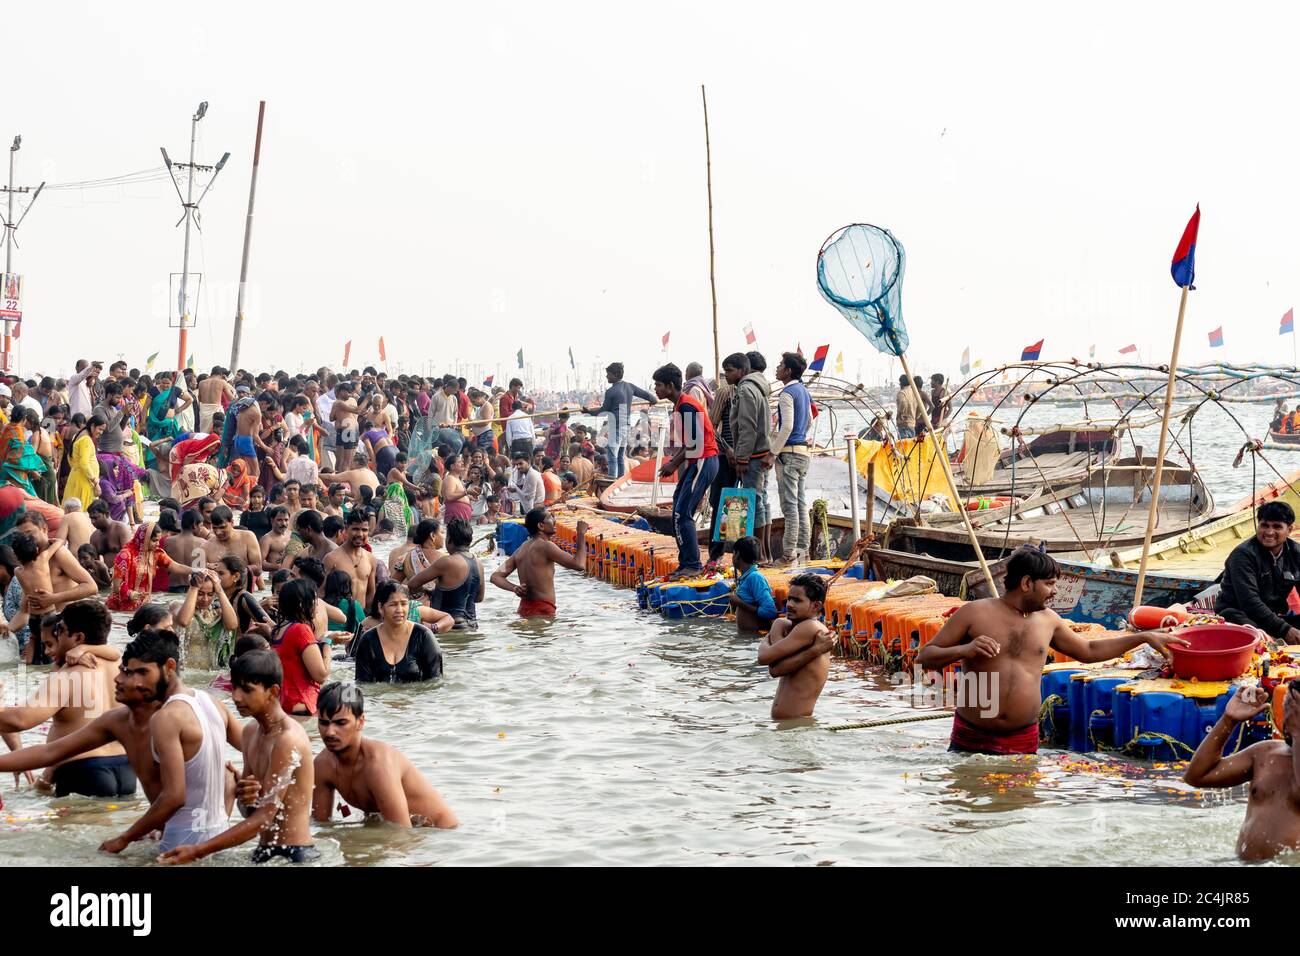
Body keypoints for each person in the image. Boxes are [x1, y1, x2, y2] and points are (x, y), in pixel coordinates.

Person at [916, 549, 1186, 755]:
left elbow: (1089, 650)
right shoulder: (974, 612)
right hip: (971, 735)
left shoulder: (1049, 620)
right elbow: (925, 657)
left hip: (1022, 738)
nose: (1054, 592)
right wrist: (966, 648)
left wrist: (1141, 637)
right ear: (1026, 583)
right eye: (1049, 584)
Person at [160, 649, 317, 864]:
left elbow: (264, 819)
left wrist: (199, 850)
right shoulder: (251, 732)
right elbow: (250, 811)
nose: (236, 697)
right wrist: (244, 794)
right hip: (263, 850)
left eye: (247, 690)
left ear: (272, 691)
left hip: (295, 854)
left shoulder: (287, 739)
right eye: (234, 687)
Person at [100, 628, 244, 855]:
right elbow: (257, 748)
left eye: (142, 672)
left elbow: (174, 797)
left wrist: (124, 838)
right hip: (217, 838)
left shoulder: (165, 718)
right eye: (130, 672)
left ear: (169, 667)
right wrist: (247, 780)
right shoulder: (213, 702)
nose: (136, 681)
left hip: (180, 843)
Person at [0, 600, 133, 797]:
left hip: (84, 772)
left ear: (78, 637)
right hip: (126, 771)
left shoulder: (71, 674)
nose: (57, 636)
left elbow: (20, 720)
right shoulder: (121, 668)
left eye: (60, 631)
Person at [313, 682, 458, 828]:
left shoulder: (379, 766)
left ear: (360, 722)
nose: (330, 732)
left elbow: (401, 836)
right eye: (324, 723)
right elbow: (321, 826)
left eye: (341, 723)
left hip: (439, 833)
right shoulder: (322, 765)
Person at [1184, 682, 1300, 861]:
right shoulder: (1266, 753)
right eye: (1288, 707)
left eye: (1296, 712)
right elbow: (1198, 776)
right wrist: (1229, 720)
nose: (1288, 717)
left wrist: (1298, 731)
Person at [653, 363, 720, 580]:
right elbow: (690, 442)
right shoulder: (680, 405)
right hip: (697, 461)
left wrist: (673, 464)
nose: (656, 389)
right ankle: (686, 563)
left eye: (659, 385)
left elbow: (697, 442)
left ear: (671, 386)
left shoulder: (686, 406)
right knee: (677, 510)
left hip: (704, 460)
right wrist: (675, 460)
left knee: (683, 513)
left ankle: (693, 564)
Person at [1215, 501, 1300, 643]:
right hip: (1239, 614)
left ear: (1290, 529)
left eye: (1277, 526)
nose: (1269, 532)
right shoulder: (1242, 555)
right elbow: (1249, 602)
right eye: (1264, 525)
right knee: (1255, 634)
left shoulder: (1296, 552)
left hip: (1272, 616)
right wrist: (1285, 630)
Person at [757, 573, 832, 718]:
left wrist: (767, 639)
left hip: (797, 726)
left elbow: (764, 657)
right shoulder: (789, 626)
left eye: (797, 600)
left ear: (816, 606)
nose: (789, 604)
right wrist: (815, 650)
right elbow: (776, 668)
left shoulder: (810, 627)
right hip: (794, 725)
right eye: (789, 598)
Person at [490, 508, 587, 618]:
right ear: (541, 526)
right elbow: (579, 564)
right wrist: (581, 534)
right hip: (543, 610)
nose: (554, 520)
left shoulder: (521, 550)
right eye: (550, 517)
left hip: (523, 608)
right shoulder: (546, 546)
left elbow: (495, 576)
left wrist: (515, 588)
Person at [352, 582, 445, 682]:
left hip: (414, 697)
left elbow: (435, 683)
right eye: (393, 604)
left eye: (404, 604)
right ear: (380, 608)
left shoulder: (423, 637)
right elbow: (362, 684)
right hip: (380, 697)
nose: (399, 610)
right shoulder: (368, 640)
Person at [770, 350, 813, 564]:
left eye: (780, 365)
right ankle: (803, 550)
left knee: (789, 506)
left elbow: (786, 426)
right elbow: (809, 422)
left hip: (789, 453)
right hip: (803, 452)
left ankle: (788, 554)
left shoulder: (787, 393)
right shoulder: (804, 391)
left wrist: (773, 453)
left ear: (787, 371)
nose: (777, 368)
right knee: (800, 504)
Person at [268, 578, 331, 717]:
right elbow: (321, 675)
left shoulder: (278, 630)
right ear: (302, 604)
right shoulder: (301, 630)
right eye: (314, 600)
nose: (317, 605)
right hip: (302, 708)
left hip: (283, 706)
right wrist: (328, 644)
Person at [407, 518, 483, 629]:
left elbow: (412, 584)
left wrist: (427, 589)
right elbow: (479, 598)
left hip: (449, 627)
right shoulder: (479, 563)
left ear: (449, 540)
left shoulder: (447, 561)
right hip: (472, 625)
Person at [107, 522, 196, 613]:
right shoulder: (125, 555)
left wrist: (196, 571)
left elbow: (176, 567)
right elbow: (116, 587)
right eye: (154, 540)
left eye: (158, 540)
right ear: (143, 539)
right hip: (120, 607)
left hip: (142, 606)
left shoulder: (156, 554)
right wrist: (132, 594)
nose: (157, 544)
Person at [587, 362, 655, 479]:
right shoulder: (630, 387)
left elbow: (603, 410)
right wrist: (653, 401)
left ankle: (612, 480)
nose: (606, 377)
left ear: (615, 375)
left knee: (612, 457)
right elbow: (651, 397)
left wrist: (588, 411)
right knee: (620, 456)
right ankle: (621, 480)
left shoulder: (611, 391)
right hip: (626, 427)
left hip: (616, 427)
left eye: (608, 374)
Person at [324, 509, 377, 614]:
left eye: (365, 530)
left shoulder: (370, 559)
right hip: (339, 620)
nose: (360, 534)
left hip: (361, 618)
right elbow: (321, 593)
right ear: (346, 528)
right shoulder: (331, 558)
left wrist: (367, 619)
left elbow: (370, 593)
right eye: (355, 529)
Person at [204, 505, 264, 588]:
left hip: (242, 595)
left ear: (232, 522)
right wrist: (208, 569)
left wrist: (233, 568)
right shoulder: (207, 545)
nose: (218, 532)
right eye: (214, 528)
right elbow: (199, 577)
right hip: (217, 597)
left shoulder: (248, 537)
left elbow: (258, 570)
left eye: (222, 527)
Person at [729, 536, 777, 633]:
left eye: (733, 553)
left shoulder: (755, 577)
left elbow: (770, 611)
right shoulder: (746, 577)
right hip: (745, 638)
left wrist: (740, 603)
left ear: (737, 554)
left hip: (753, 638)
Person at [62, 414, 106, 508]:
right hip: (84, 482)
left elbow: (70, 457)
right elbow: (84, 463)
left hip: (77, 478)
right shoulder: (86, 439)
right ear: (92, 426)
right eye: (100, 429)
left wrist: (75, 470)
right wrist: (95, 482)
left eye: (103, 430)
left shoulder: (78, 435)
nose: (101, 433)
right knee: (84, 513)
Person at [895, 373, 922, 440]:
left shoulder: (902, 393)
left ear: (901, 383)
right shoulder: (914, 393)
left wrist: (901, 413)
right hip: (912, 423)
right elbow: (920, 408)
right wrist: (916, 416)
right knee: (910, 445)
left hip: (904, 425)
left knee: (903, 446)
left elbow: (903, 403)